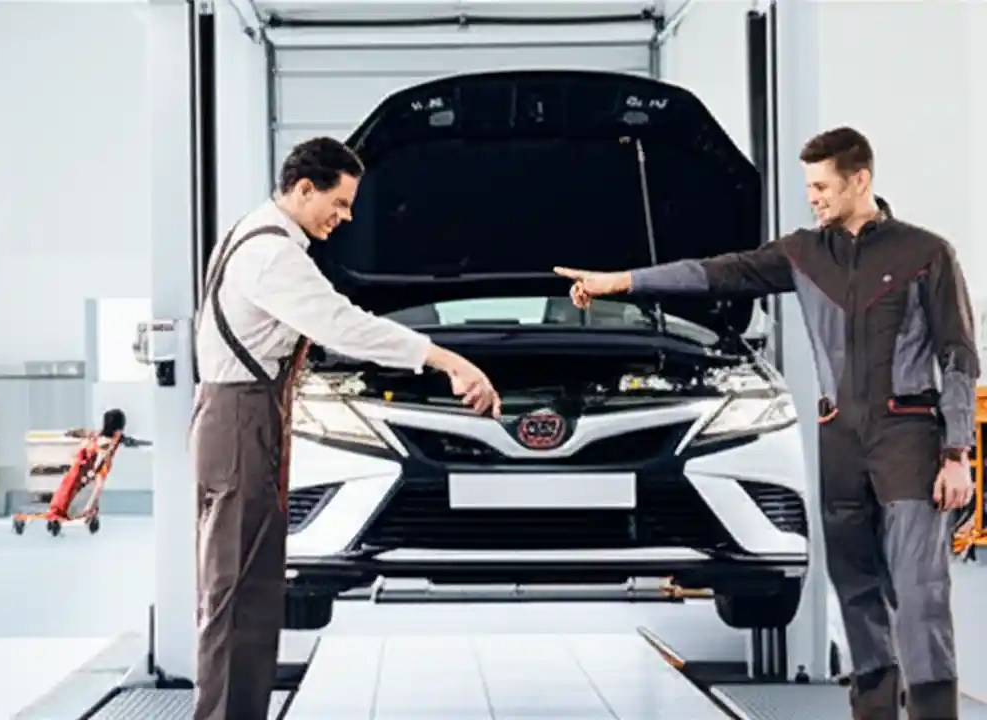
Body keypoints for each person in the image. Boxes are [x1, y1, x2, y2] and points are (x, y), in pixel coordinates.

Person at [554, 126, 978, 720]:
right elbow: (715, 273)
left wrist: (957, 450)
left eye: (823, 185)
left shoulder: (925, 253)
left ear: (860, 180)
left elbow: (959, 354)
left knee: (918, 590)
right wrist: (621, 282)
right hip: (839, 440)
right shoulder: (803, 253)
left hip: (909, 436)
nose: (814, 197)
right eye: (809, 186)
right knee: (855, 593)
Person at [191, 137, 502, 720]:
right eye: (339, 202)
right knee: (237, 593)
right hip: (242, 421)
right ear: (304, 189)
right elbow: (342, 325)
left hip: (238, 417)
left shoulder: (253, 234)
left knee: (250, 590)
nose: (346, 217)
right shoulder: (272, 253)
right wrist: (446, 359)